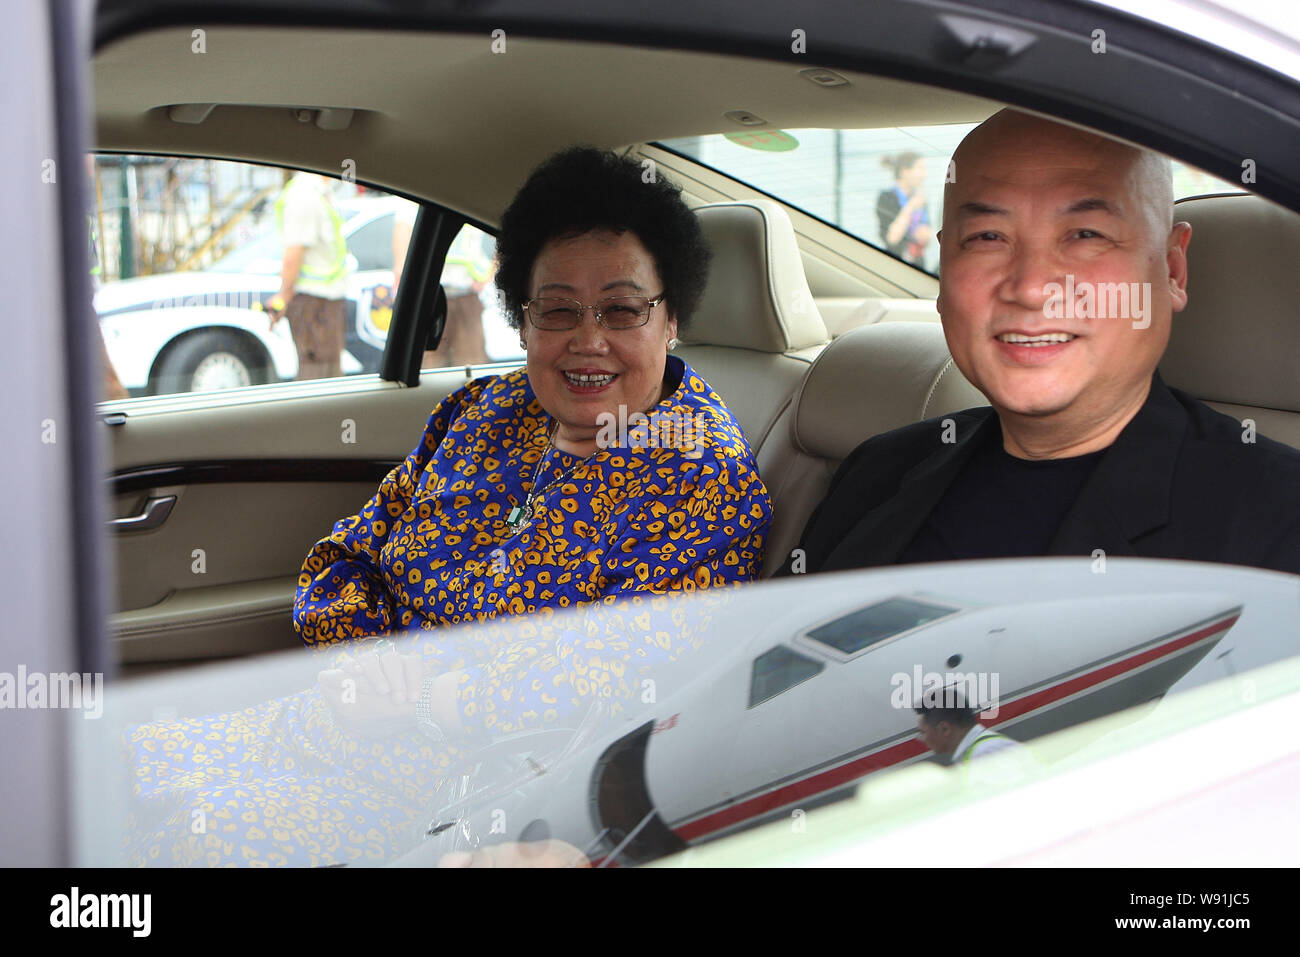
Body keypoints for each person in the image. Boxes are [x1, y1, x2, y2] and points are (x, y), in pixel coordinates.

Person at [126, 147, 772, 866]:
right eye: (557, 309)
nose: (588, 340)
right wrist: (365, 661)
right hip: (321, 726)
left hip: (461, 801)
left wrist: (422, 701)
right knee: (100, 775)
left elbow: (617, 680)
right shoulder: (483, 413)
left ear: (671, 316)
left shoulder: (699, 472)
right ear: (523, 321)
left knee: (184, 845)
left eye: (621, 309)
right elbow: (348, 553)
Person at [786, 110, 1300, 576]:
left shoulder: (1278, 520)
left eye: (1085, 235)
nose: (1032, 289)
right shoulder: (880, 470)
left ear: (1171, 269)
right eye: (987, 237)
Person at [265, 171, 350, 379]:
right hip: (314, 304)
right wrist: (284, 296)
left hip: (323, 302)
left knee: (327, 374)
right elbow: (294, 253)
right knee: (319, 378)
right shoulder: (304, 194)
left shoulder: (318, 192)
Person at [876, 152, 932, 270]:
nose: (925, 175)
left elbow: (927, 236)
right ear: (904, 172)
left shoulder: (920, 199)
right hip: (894, 266)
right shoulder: (887, 198)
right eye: (920, 168)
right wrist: (910, 207)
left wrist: (925, 235)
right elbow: (891, 238)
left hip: (918, 265)